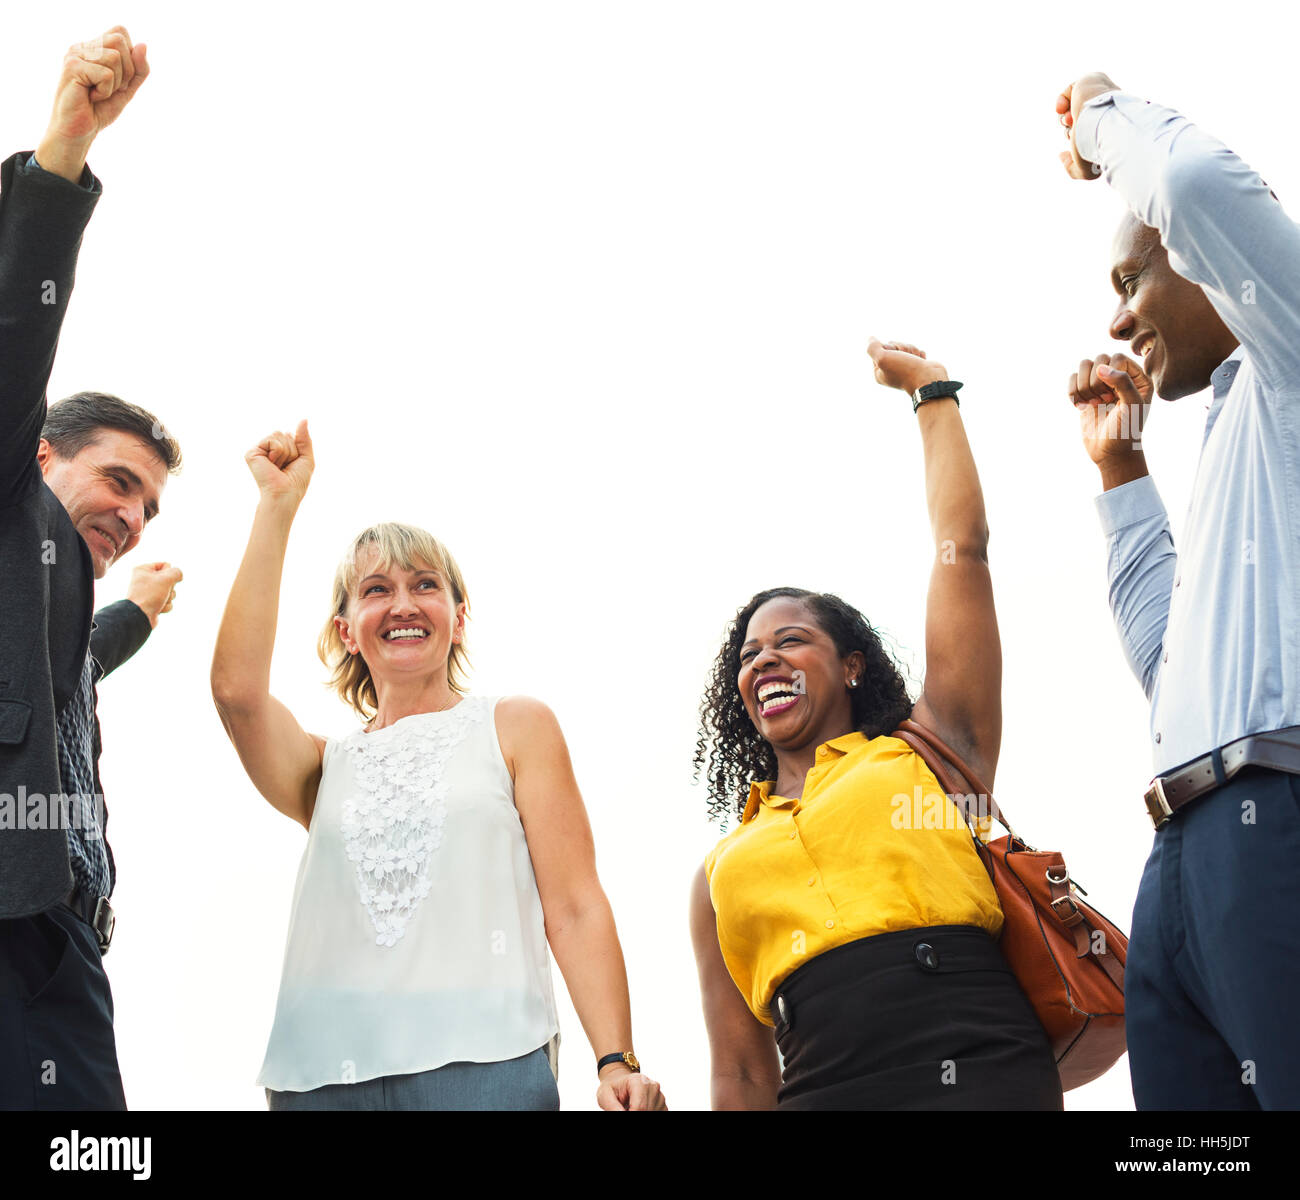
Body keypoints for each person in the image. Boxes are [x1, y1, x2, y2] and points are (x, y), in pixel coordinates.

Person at [211, 421, 666, 1111]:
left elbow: (573, 905)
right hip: (321, 1078)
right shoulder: (323, 765)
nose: (401, 604)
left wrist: (614, 1060)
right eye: (375, 590)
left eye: (424, 585)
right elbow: (236, 694)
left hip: (487, 1064)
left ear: (458, 616)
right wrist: (277, 508)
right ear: (346, 629)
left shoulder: (514, 725)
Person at [689, 339, 1062, 1110]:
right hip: (824, 1088)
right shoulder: (720, 872)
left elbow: (964, 554)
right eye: (750, 655)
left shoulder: (933, 752)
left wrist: (933, 397)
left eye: (791, 640)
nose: (765, 661)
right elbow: (741, 1072)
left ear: (853, 665)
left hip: (980, 1064)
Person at [1061, 73, 1300, 1110]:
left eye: (1131, 279)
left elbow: (1195, 177)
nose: (1118, 319)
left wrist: (1097, 117)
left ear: (1200, 266)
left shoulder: (1289, 351)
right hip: (1177, 863)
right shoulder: (1236, 437)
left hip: (1273, 824)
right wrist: (1121, 477)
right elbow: (1171, 678)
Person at [0, 28, 184, 1110]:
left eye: (150, 502)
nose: (133, 511)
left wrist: (138, 617)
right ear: (38, 453)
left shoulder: (60, 593)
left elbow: (71, 670)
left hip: (65, 935)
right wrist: (63, 155)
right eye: (117, 481)